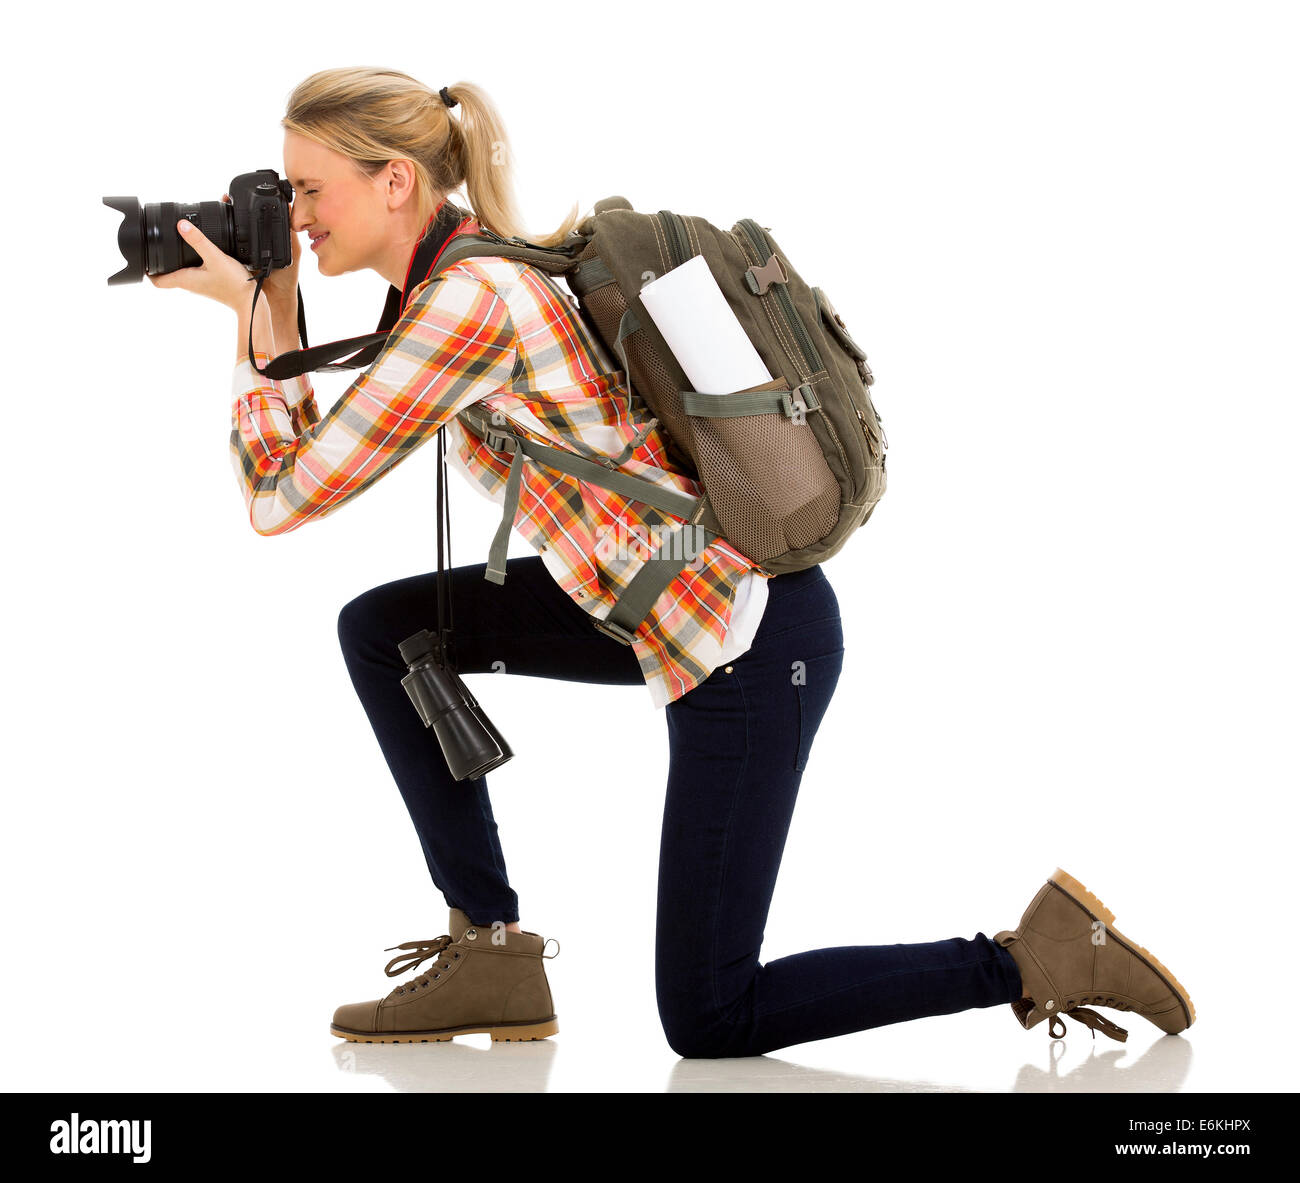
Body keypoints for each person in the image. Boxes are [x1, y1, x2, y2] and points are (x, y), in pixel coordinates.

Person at [149, 66, 1195, 1057]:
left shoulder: (465, 304)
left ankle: (1035, 956)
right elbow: (316, 466)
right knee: (384, 630)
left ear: (394, 180)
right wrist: (271, 312)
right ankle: (491, 953)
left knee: (710, 1012)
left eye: (309, 189)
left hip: (744, 642)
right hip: (647, 606)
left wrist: (254, 315)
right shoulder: (460, 272)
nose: (294, 216)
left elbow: (281, 496)